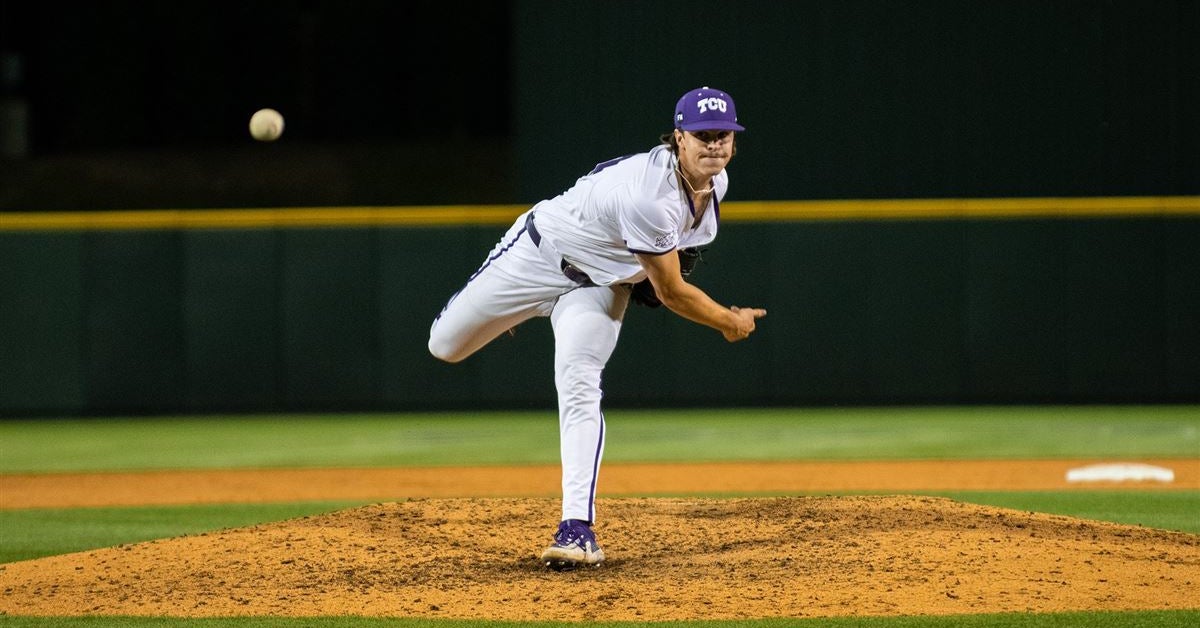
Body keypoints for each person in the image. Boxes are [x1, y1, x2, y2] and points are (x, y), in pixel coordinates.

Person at [428, 86, 767, 569]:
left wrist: (638, 274)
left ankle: (575, 529)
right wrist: (727, 321)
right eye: (703, 135)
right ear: (679, 138)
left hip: (595, 286)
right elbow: (670, 291)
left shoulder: (717, 184)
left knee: (580, 382)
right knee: (444, 346)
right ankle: (521, 307)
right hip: (537, 256)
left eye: (724, 136)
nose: (715, 145)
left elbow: (662, 264)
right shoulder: (650, 195)